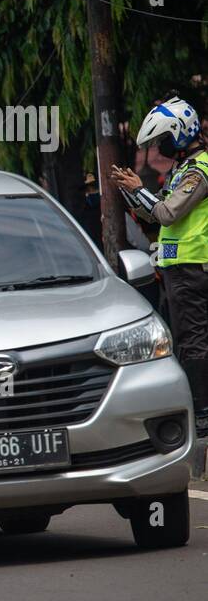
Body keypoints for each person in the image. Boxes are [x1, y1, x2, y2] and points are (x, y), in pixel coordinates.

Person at [110, 94, 208, 434]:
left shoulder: (199, 170)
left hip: (193, 268)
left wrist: (141, 188)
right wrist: (130, 192)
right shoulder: (184, 169)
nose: (160, 148)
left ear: (182, 133)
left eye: (163, 139)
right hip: (178, 269)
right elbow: (155, 219)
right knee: (184, 338)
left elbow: (167, 212)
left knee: (192, 340)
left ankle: (202, 415)